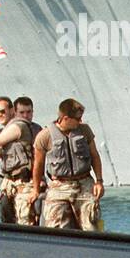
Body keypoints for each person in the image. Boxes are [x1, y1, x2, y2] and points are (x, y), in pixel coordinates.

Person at [30, 98, 104, 231]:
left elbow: (95, 156)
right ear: (65, 118)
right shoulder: (45, 136)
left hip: (84, 183)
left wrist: (99, 181)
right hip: (59, 186)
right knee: (56, 228)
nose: (80, 121)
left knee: (92, 226)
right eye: (77, 119)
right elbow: (38, 164)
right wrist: (35, 189)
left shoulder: (85, 131)